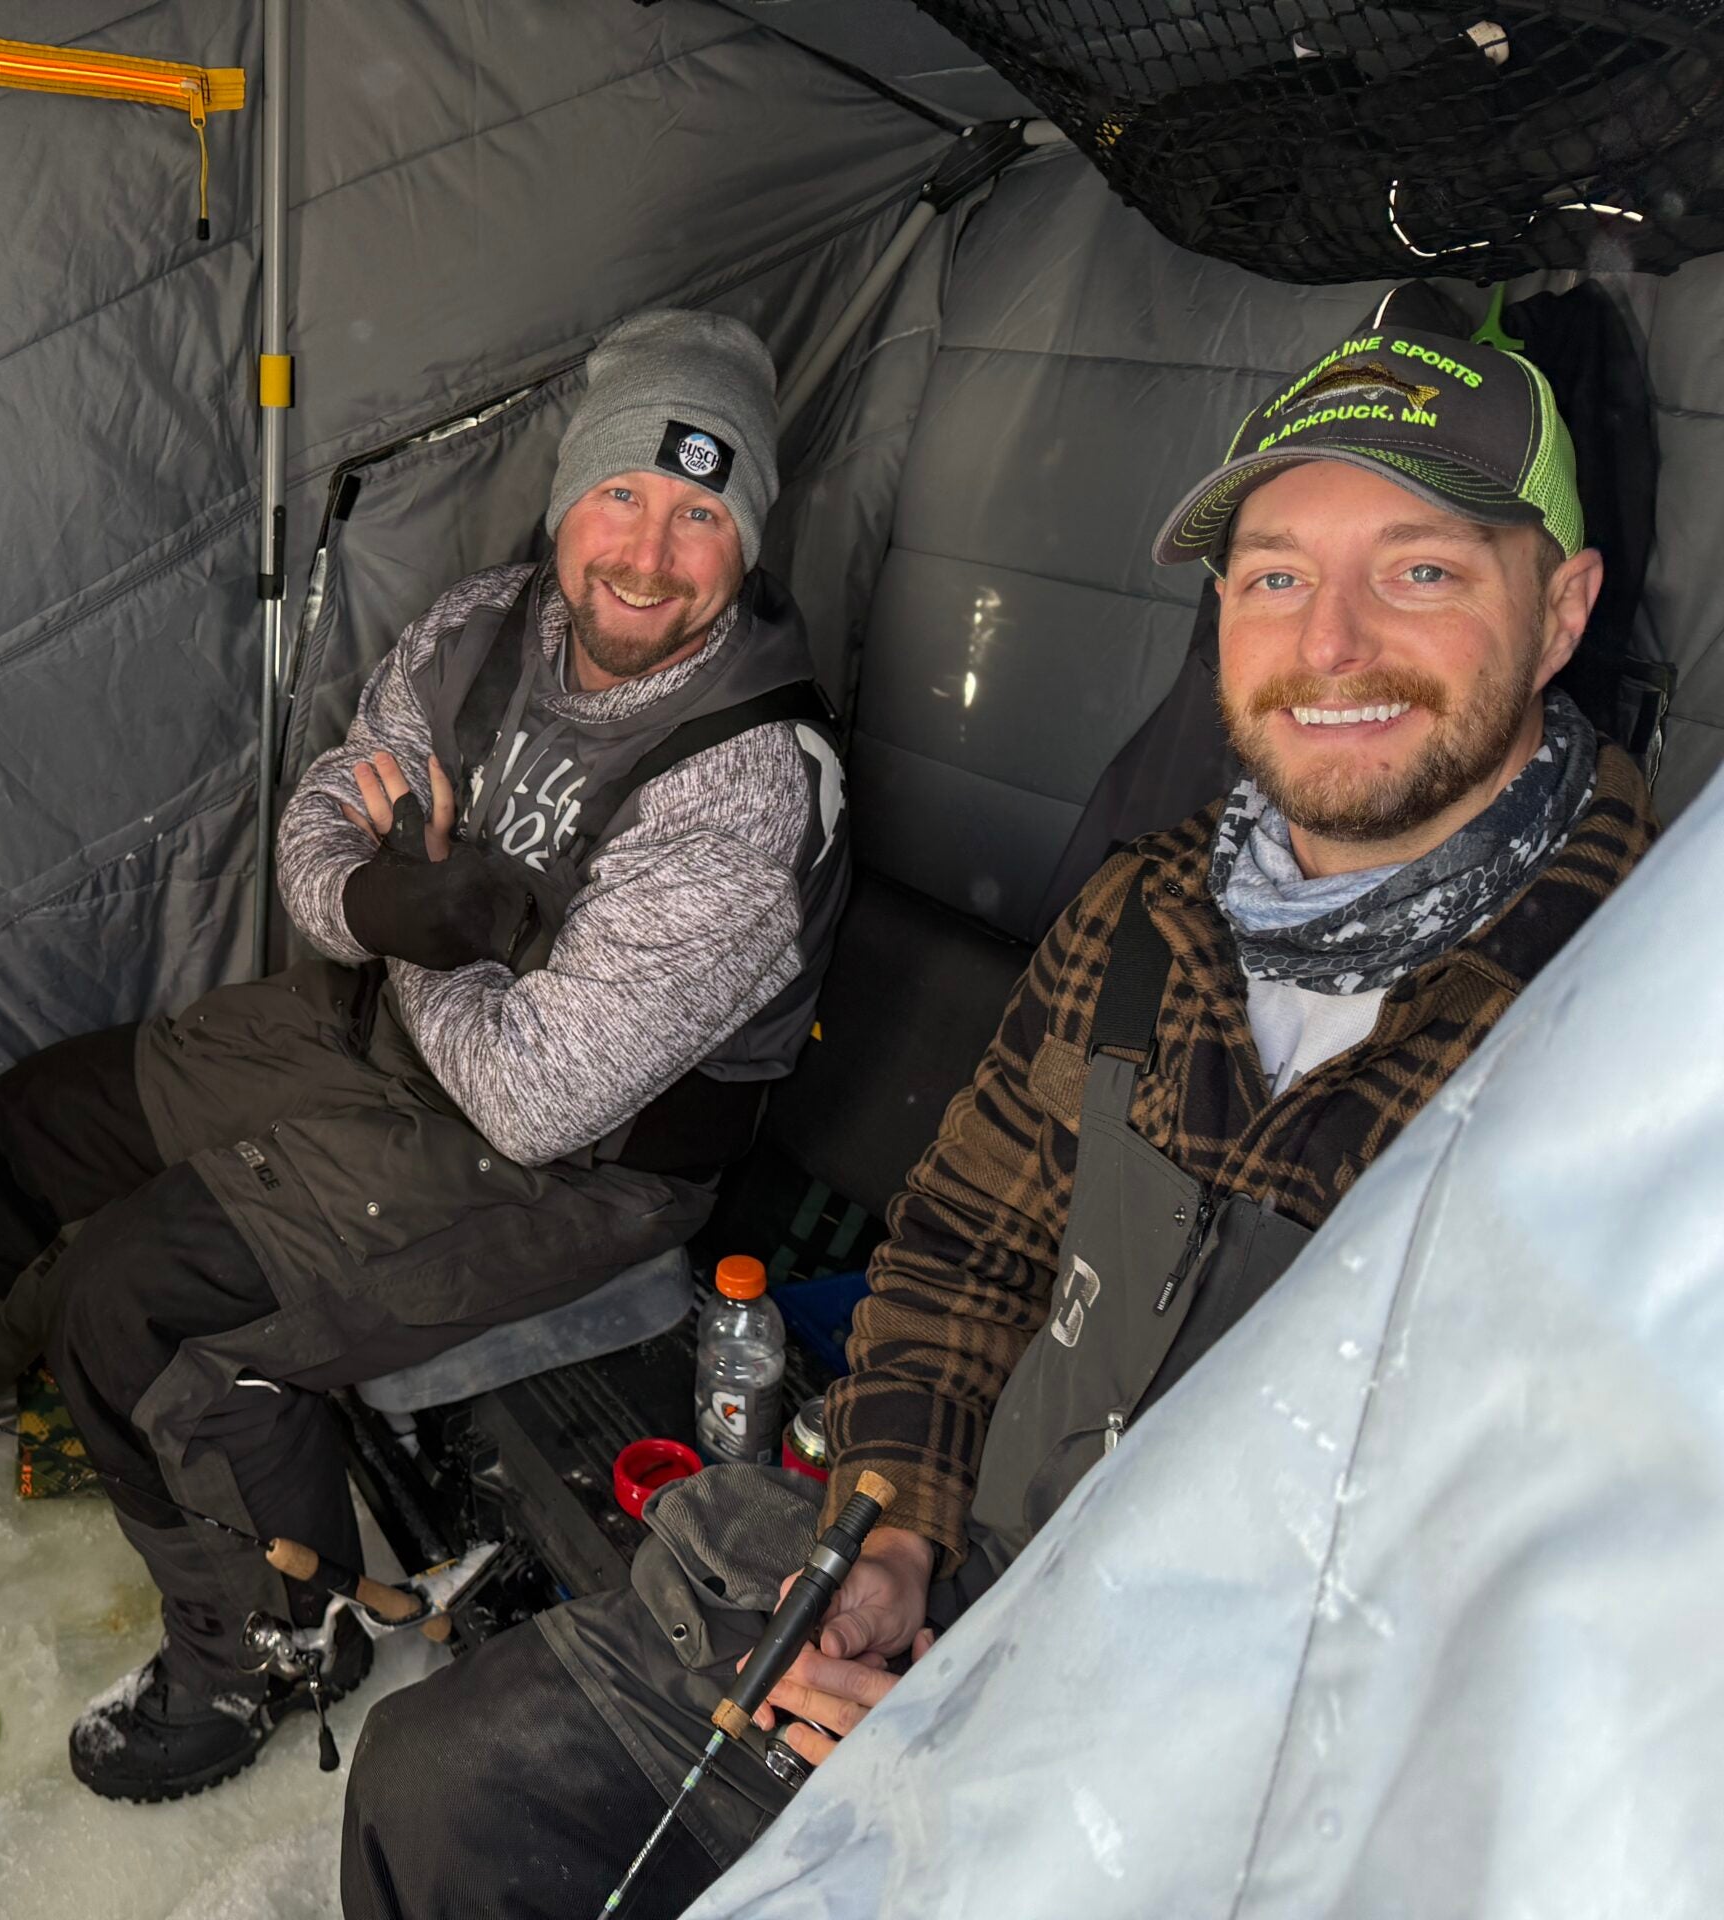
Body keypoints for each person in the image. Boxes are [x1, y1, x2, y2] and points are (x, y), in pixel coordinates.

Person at [338, 307, 1658, 1920]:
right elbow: (962, 1256)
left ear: (1565, 609)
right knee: (441, 1791)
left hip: (1242, 1811)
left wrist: (1066, 1746)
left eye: (1424, 570)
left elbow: (1572, 1678)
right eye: (1275, 575)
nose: (1330, 644)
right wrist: (891, 1535)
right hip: (964, 1611)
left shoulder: (1638, 1045)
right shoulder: (1151, 914)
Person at [0, 307, 852, 1800]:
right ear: (567, 496)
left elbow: (539, 1096)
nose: (649, 554)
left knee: (142, 1310)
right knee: (38, 1124)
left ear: (749, 540)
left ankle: (275, 1640)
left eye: (701, 514)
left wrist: (400, 932)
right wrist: (387, 899)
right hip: (395, 1036)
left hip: (571, 1170)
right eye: (622, 495)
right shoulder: (488, 626)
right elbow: (322, 818)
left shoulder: (745, 780)